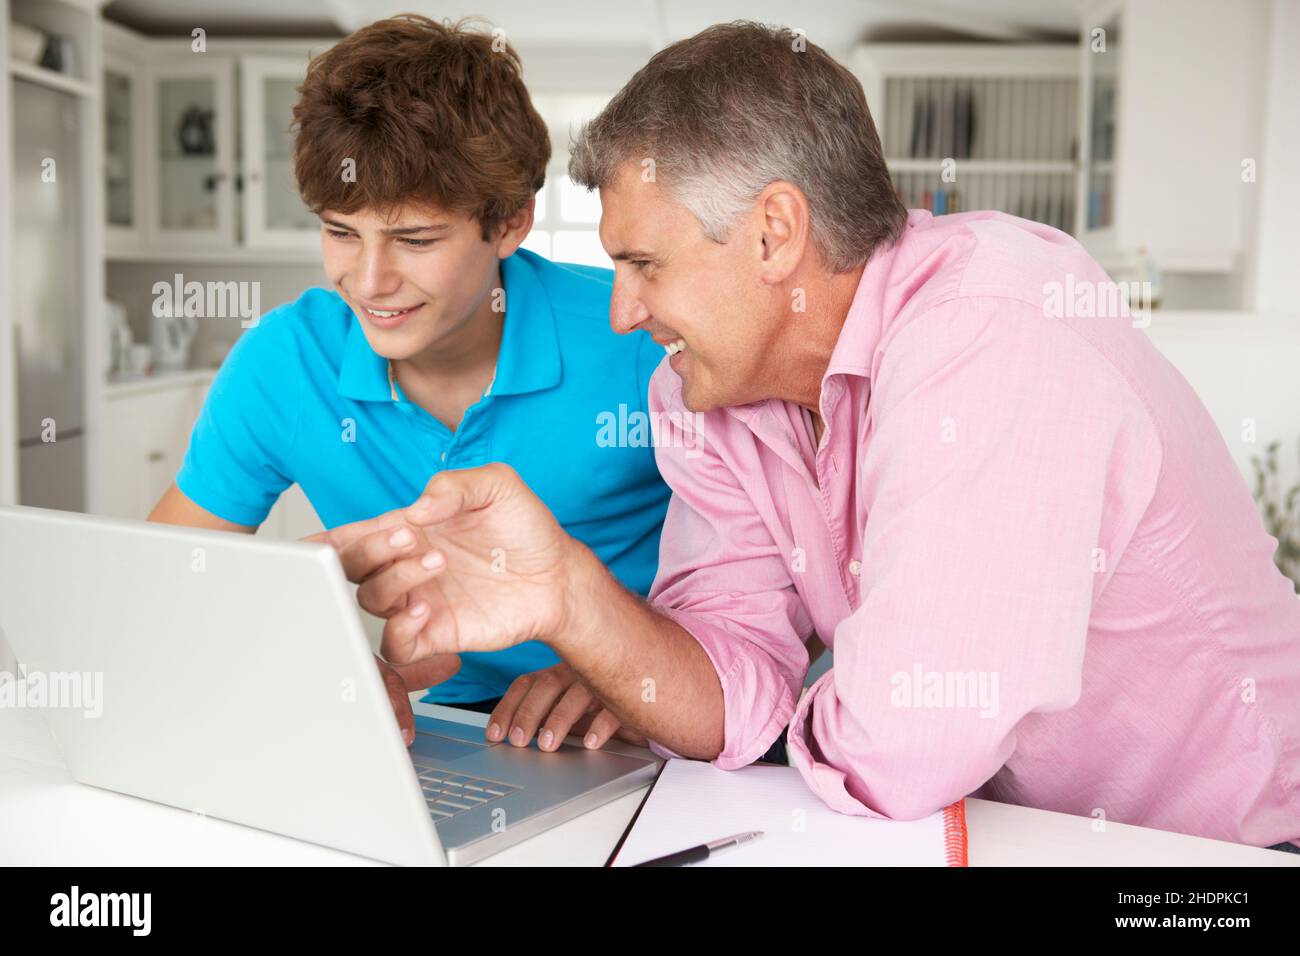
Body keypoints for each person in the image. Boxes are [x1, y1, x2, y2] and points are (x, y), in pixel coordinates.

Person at [320, 21, 1300, 850]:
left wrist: (774, 715)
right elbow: (725, 684)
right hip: (1006, 832)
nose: (622, 311)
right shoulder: (704, 397)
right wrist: (568, 594)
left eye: (645, 264)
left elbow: (898, 743)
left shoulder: (994, 324)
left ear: (774, 233)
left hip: (1232, 846)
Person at [147, 15, 669, 747]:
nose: (368, 282)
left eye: (414, 240)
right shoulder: (284, 362)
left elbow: (783, 599)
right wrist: (302, 646)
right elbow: (160, 581)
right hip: (437, 733)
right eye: (340, 231)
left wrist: (631, 671)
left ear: (513, 222)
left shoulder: (642, 336)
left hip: (640, 738)